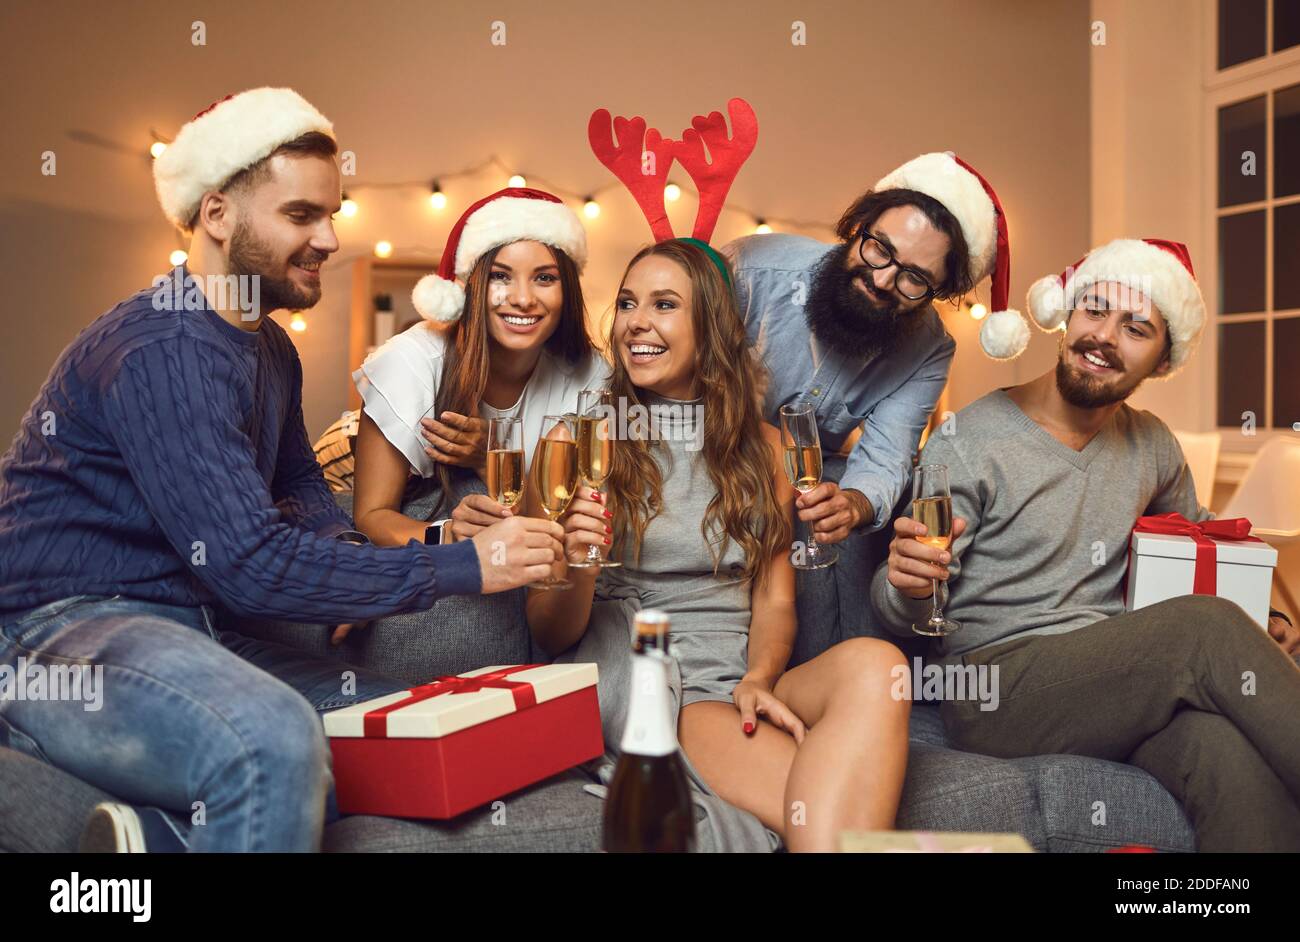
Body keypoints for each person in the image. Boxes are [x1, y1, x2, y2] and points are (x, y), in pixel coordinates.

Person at [0, 88, 563, 852]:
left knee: (400, 727)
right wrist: (464, 565)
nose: (330, 238)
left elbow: (299, 488)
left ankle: (151, 837)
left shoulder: (268, 347)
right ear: (217, 215)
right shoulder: (163, 349)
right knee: (273, 740)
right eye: (301, 216)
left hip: (194, 629)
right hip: (62, 631)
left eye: (333, 213)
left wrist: (352, 562)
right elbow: (249, 563)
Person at [870, 237, 1300, 851]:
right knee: (1203, 630)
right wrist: (904, 584)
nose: (1104, 335)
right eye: (1094, 309)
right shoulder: (972, 438)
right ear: (1067, 317)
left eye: (1136, 327)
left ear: (1160, 359)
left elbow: (1203, 541)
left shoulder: (1151, 444)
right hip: (995, 686)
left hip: (1116, 688)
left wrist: (1270, 616)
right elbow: (908, 598)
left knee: (1226, 754)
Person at [527, 240, 912, 852]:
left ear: (710, 330)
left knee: (880, 666)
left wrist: (759, 676)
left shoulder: (767, 450)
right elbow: (549, 636)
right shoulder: (575, 443)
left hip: (740, 675)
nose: (637, 322)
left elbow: (775, 601)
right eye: (628, 303)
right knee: (836, 822)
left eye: (664, 304)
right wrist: (577, 561)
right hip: (663, 680)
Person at [722, 151, 1025, 650]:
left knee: (835, 495)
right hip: (711, 464)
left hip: (798, 493)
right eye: (879, 249)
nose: (883, 280)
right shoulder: (752, 271)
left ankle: (839, 680)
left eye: (914, 279)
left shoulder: (929, 349)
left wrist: (854, 504)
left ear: (937, 290)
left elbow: (886, 456)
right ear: (858, 226)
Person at [350, 187, 608, 551]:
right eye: (500, 277)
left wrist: (493, 452)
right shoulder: (410, 362)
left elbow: (570, 517)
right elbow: (372, 515)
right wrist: (451, 535)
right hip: (435, 554)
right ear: (471, 285)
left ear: (567, 290)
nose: (522, 298)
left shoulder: (591, 376)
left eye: (545, 278)